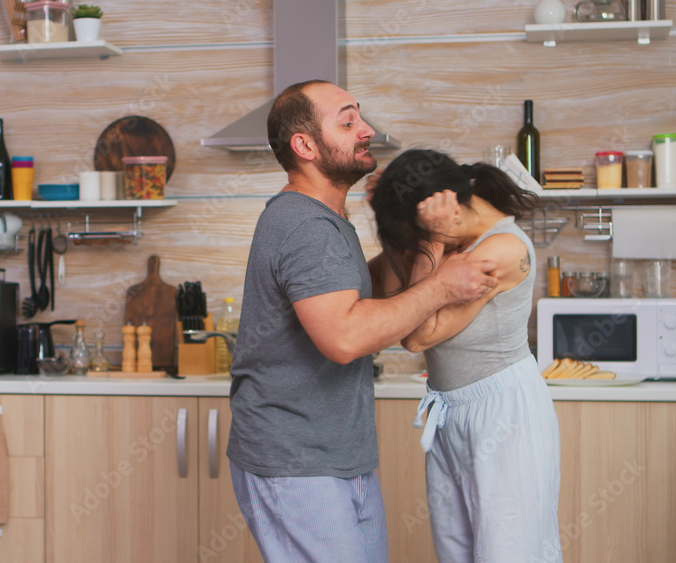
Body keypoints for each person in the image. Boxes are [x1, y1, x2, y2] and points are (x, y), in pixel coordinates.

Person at [226, 80, 499, 562]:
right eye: (347, 122)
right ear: (305, 146)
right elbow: (346, 336)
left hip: (336, 455)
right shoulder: (307, 226)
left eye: (361, 117)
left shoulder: (327, 221)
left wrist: (400, 226)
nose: (366, 129)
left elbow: (360, 293)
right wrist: (443, 286)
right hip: (296, 459)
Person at [370, 148, 562, 562]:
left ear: (448, 210)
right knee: (457, 553)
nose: (416, 247)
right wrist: (395, 226)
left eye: (417, 237)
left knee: (507, 553)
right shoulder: (450, 243)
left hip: (503, 412)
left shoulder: (502, 249)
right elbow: (392, 296)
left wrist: (430, 238)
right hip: (449, 409)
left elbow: (416, 335)